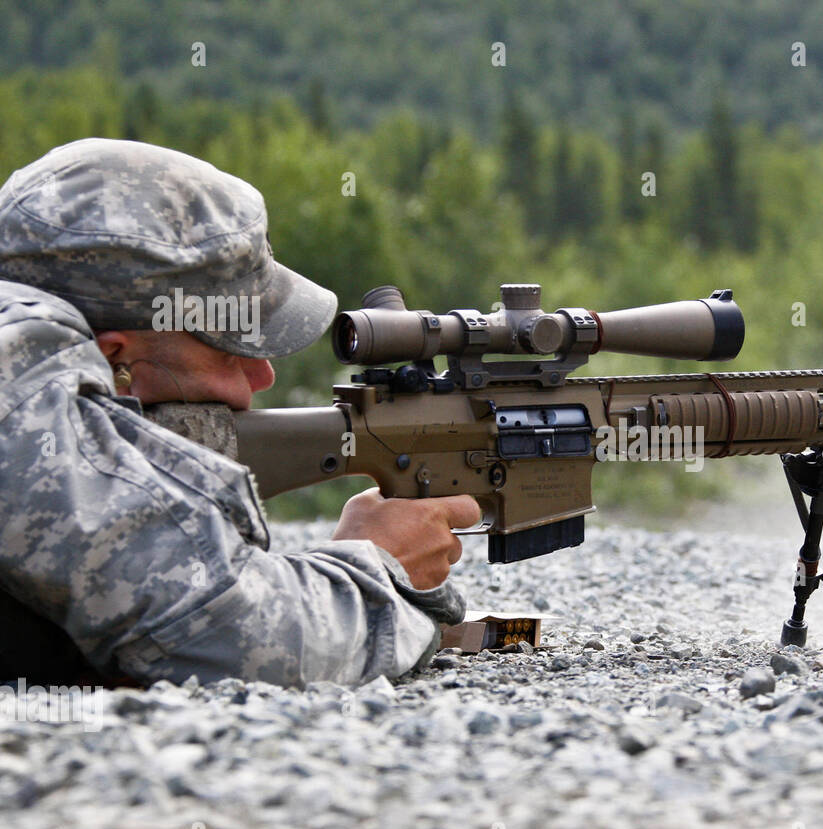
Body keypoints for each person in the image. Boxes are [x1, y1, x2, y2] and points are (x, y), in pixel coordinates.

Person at [0, 138, 480, 687]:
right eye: (230, 349)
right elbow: (234, 641)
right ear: (114, 360)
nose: (262, 377)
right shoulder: (18, 378)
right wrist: (379, 564)